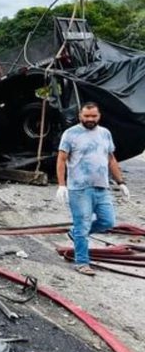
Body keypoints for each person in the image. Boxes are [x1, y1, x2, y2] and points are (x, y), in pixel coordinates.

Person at [56, 102, 130, 276]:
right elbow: (61, 159)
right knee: (82, 226)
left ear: (99, 116)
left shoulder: (105, 133)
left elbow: (111, 158)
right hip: (79, 189)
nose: (90, 119)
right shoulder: (70, 134)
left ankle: (75, 234)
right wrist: (61, 184)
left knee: (108, 221)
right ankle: (82, 262)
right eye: (86, 116)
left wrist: (121, 182)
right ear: (80, 115)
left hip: (101, 187)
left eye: (93, 116)